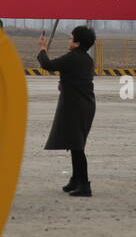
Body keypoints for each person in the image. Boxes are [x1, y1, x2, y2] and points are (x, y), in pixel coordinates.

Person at [36, 24, 96, 197]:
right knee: (74, 143)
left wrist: (42, 48)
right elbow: (77, 78)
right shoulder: (85, 58)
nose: (69, 40)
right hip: (83, 105)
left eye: (71, 38)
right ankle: (76, 180)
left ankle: (84, 184)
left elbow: (47, 64)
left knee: (77, 146)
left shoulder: (73, 58)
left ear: (77, 43)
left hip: (76, 106)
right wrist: (65, 84)